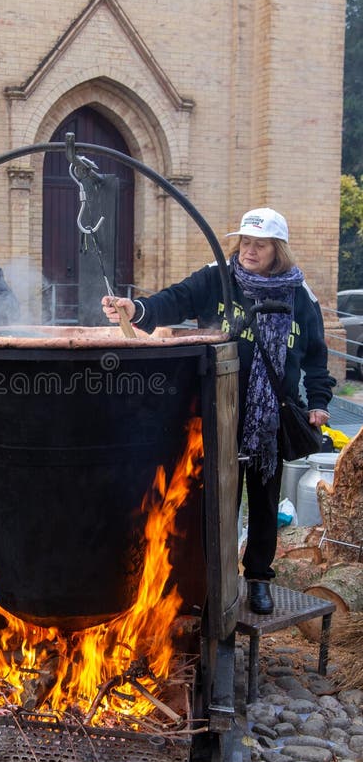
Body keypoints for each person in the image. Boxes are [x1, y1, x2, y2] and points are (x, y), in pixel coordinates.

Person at [102, 208, 335, 614]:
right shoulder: (218, 278)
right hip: (218, 411)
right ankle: (213, 576)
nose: (248, 250)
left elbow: (316, 355)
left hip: (270, 420)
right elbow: (175, 299)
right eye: (244, 241)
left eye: (258, 244)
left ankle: (258, 578)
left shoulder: (300, 295)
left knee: (264, 500)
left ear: (277, 250)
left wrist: (318, 402)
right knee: (215, 500)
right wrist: (137, 310)